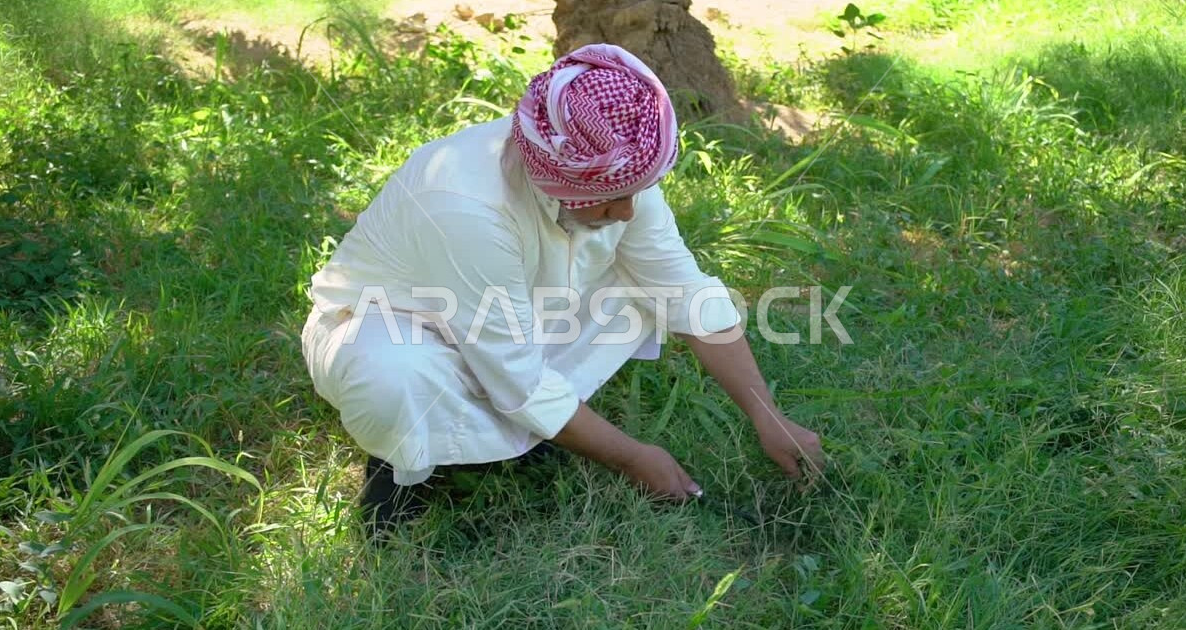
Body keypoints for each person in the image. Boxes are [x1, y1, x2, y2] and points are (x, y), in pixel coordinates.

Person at [300, 43, 825, 533]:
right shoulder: (463, 202)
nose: (627, 212)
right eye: (612, 200)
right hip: (398, 324)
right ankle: (402, 466)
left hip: (510, 315)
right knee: (397, 376)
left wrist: (768, 415)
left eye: (635, 193)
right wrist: (633, 458)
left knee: (642, 285)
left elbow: (684, 292)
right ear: (559, 180)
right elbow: (518, 378)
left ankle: (534, 432)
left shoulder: (616, 175)